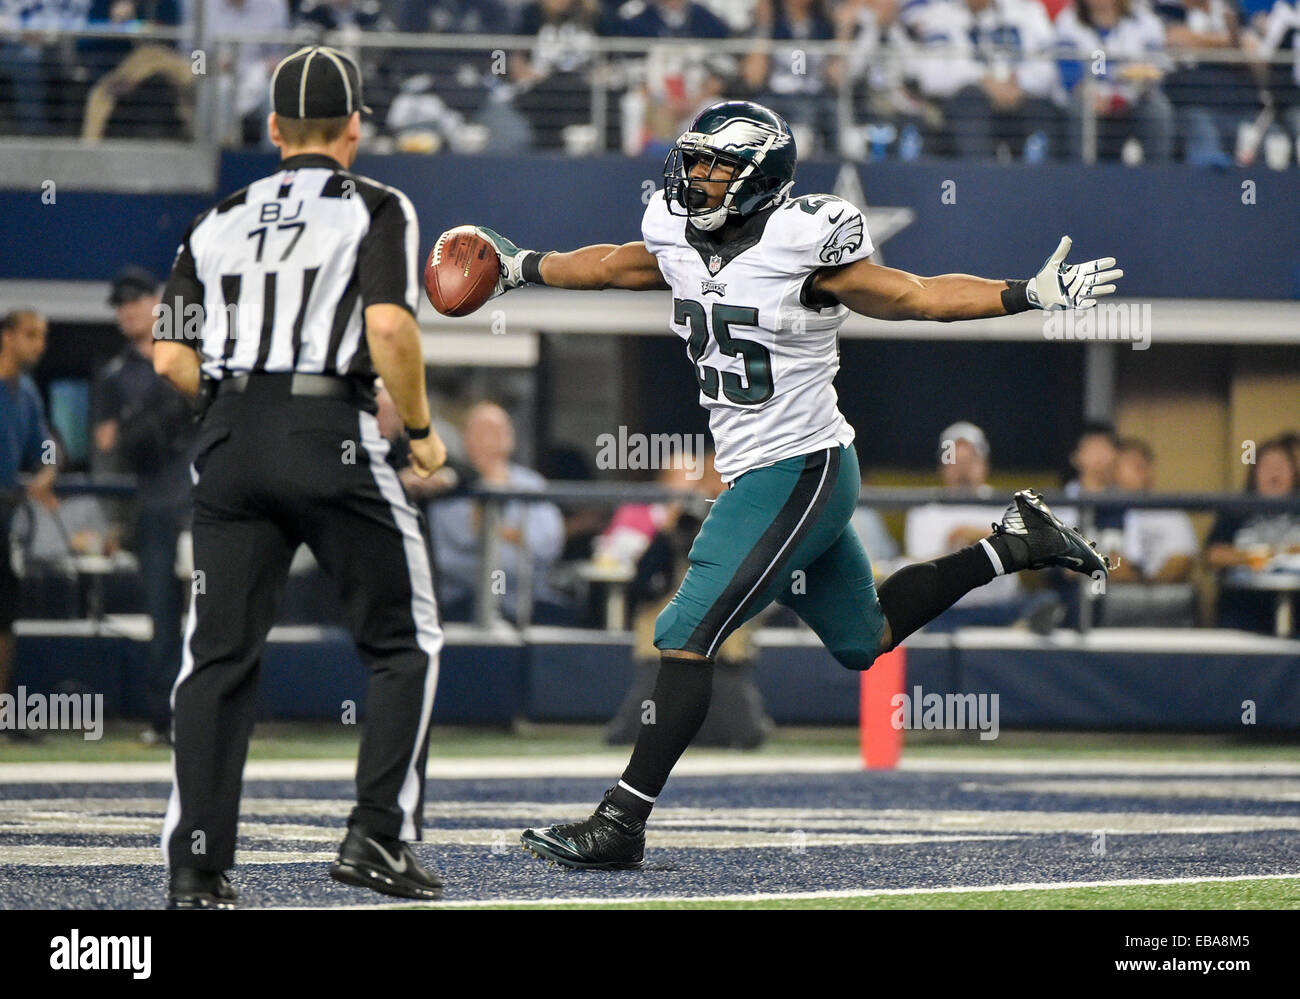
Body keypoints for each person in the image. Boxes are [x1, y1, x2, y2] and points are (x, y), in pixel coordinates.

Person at [472, 99, 1122, 870]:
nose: (697, 177)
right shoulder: (677, 235)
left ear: (760, 180)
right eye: (696, 160)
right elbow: (614, 265)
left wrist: (1027, 293)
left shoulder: (800, 243)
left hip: (801, 467)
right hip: (767, 472)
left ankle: (622, 821)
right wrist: (522, 266)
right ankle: (1015, 546)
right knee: (863, 637)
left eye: (717, 166)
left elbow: (915, 295)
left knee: (684, 631)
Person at [152, 45, 450, 909]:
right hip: (332, 429)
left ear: (274, 128)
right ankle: (376, 838)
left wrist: (234, 407)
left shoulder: (218, 217)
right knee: (405, 639)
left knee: (215, 658)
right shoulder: (377, 205)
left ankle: (196, 871)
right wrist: (424, 433)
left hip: (233, 433)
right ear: (355, 128)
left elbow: (171, 356)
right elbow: (390, 327)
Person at [94, 267, 196, 746]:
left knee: (216, 613)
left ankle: (209, 713)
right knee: (162, 613)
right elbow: (108, 442)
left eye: (135, 301)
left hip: (201, 498)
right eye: (121, 305)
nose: (127, 312)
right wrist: (147, 425)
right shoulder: (116, 376)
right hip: (155, 502)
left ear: (157, 301)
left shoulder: (194, 350)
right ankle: (164, 716)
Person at [427, 401, 568, 624]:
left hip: (529, 599)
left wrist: (489, 532)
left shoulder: (532, 485)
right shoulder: (449, 486)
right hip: (463, 600)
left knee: (565, 620)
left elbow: (548, 546)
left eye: (499, 431)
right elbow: (446, 557)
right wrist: (510, 540)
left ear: (511, 438)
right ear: (466, 438)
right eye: (482, 431)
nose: (491, 439)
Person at [903, 422, 1030, 628]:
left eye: (970, 459)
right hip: (944, 613)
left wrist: (975, 536)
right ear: (942, 467)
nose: (962, 466)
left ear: (984, 465)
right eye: (954, 460)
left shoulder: (1007, 504)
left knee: (1042, 601)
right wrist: (958, 550)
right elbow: (920, 568)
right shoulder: (924, 509)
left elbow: (1027, 549)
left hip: (999, 609)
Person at [0, 309, 54, 741]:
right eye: (31, 335)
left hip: (5, 516)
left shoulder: (28, 393)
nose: (39, 344)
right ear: (8, 336)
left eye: (43, 336)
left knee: (4, 619)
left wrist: (46, 473)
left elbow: (47, 446)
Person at [1206, 437, 1300, 632]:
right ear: (1254, 473)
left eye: (1281, 466)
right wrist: (1275, 553)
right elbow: (1215, 556)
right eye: (1266, 466)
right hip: (1245, 608)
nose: (1274, 473)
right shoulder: (1235, 510)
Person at [1114, 437, 1197, 582]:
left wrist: (1146, 592)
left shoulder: (1170, 512)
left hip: (1158, 595)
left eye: (1141, 466)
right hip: (1107, 595)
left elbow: (1181, 560)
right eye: (1132, 465)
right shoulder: (1101, 512)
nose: (1142, 472)